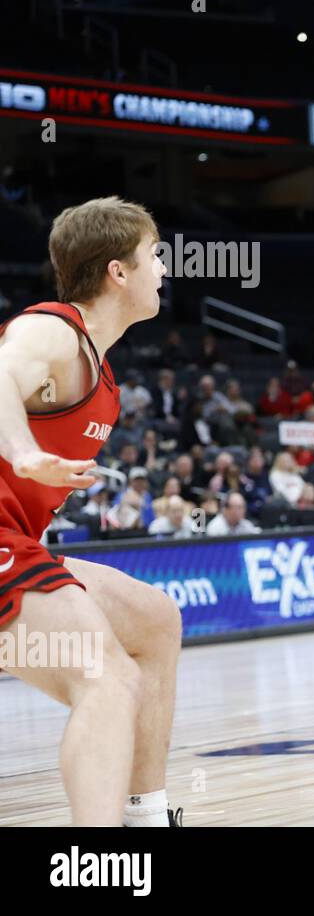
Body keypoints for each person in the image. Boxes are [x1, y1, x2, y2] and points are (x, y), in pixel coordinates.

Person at [0, 197, 182, 826]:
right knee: (105, 679)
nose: (164, 269)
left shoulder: (100, 370)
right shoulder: (53, 330)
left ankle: (146, 819)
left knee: (155, 621)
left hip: (16, 541)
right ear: (118, 272)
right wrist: (22, 451)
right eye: (154, 256)